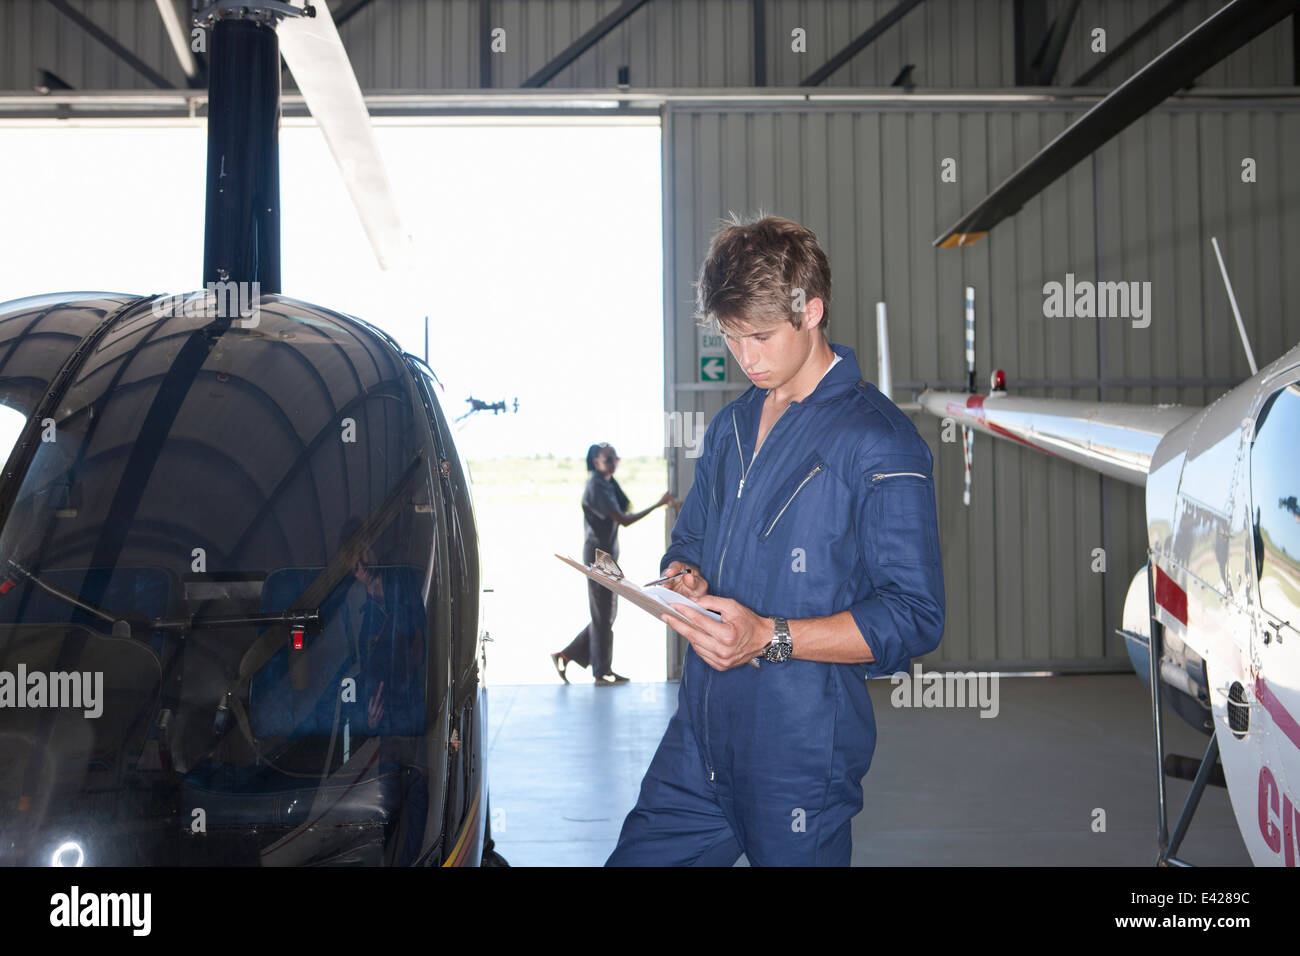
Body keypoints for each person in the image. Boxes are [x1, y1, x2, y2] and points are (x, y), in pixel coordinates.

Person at [605, 214, 945, 866]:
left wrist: (769, 636)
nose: (746, 358)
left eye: (760, 336)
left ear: (811, 310)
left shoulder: (879, 441)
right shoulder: (730, 427)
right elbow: (692, 538)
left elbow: (914, 616)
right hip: (698, 738)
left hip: (799, 752)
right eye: (732, 339)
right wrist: (682, 574)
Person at [552, 443, 672, 685]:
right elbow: (624, 520)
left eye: (615, 457)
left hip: (604, 556)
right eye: (608, 458)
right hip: (598, 556)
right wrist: (659, 504)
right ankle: (600, 671)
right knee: (604, 614)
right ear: (595, 462)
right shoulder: (596, 486)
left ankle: (569, 655)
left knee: (606, 613)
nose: (613, 461)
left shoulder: (605, 484)